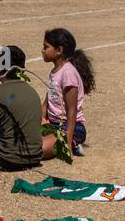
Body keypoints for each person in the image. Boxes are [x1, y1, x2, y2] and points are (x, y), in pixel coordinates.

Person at [39, 28, 93, 163]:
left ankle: (73, 142)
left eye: (46, 47)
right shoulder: (55, 72)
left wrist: (67, 142)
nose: (42, 50)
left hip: (71, 128)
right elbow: (48, 100)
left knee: (39, 150)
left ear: (59, 50)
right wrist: (40, 119)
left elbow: (72, 109)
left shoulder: (68, 73)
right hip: (52, 125)